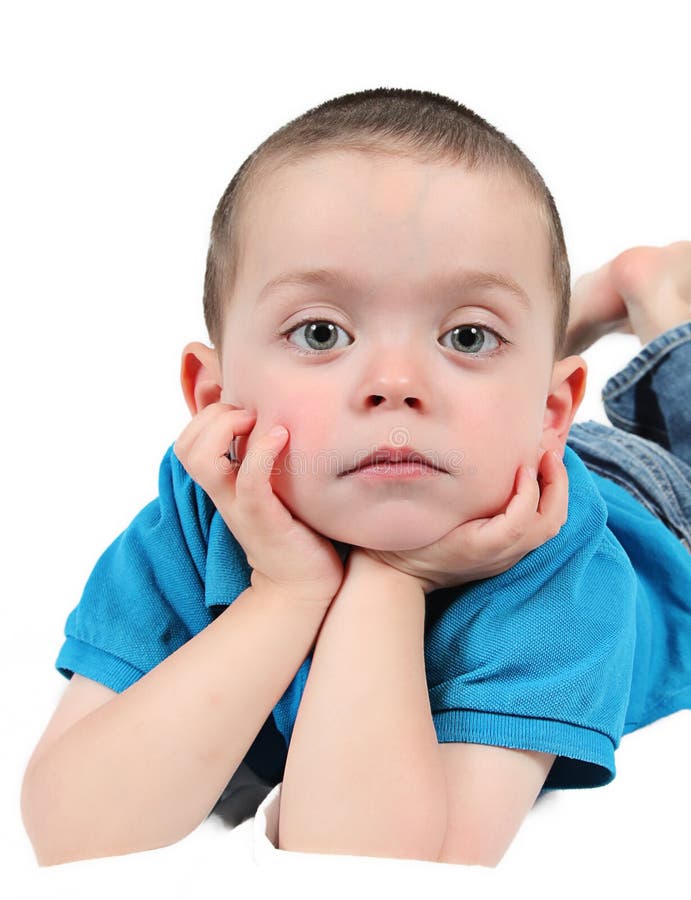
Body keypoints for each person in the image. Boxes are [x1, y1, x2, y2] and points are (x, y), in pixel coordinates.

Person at [20, 87, 691, 869]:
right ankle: (540, 327)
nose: (396, 382)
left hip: (643, 503)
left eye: (466, 334)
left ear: (550, 411)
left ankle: (658, 303)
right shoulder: (198, 514)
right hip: (466, 448)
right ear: (215, 397)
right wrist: (286, 590)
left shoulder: (562, 577)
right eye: (321, 332)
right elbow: (73, 835)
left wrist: (390, 577)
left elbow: (377, 869)